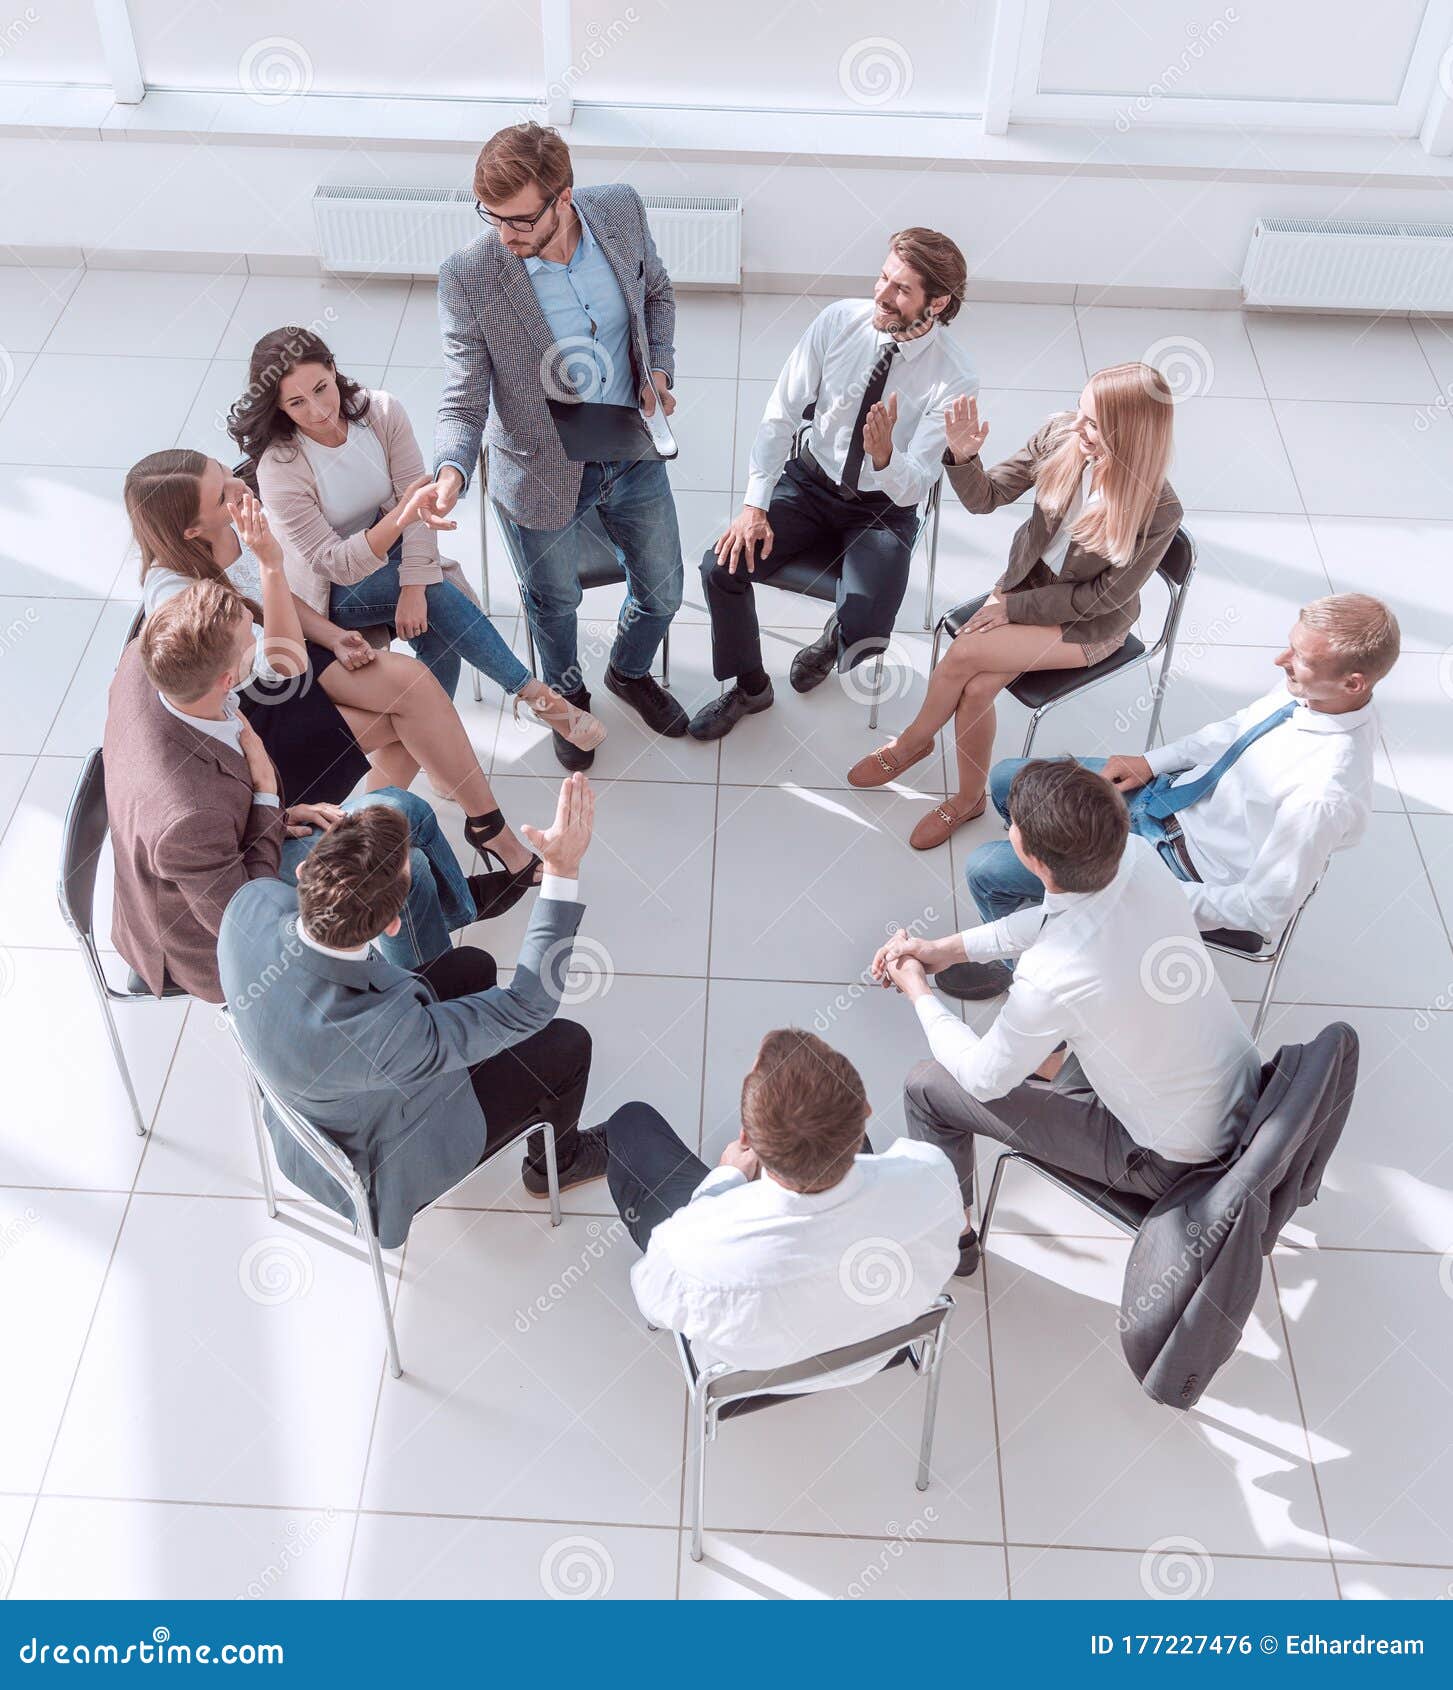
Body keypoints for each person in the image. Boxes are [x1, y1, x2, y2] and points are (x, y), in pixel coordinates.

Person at [874, 759, 1262, 1276]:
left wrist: (918, 989)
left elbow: (982, 1079)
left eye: (1010, 824)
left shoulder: (1052, 976)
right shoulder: (1139, 859)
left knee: (928, 1086)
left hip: (1168, 1159)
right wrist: (947, 949)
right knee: (1059, 1037)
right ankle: (1047, 1076)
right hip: (1237, 1094)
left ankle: (953, 1240)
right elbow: (1056, 918)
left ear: (1032, 859)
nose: (1008, 827)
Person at [127, 448, 541, 916]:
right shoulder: (179, 598)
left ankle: (467, 830)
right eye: (222, 494)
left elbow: (271, 602)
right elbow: (283, 664)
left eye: (224, 471)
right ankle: (396, 850)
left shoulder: (226, 531)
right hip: (259, 710)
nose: (240, 487)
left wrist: (332, 634)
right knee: (411, 726)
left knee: (415, 687)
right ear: (192, 530)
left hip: (280, 654)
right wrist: (271, 562)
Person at [939, 592, 1401, 1001]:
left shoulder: (1324, 791)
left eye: (1298, 657)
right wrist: (1152, 762)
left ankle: (1035, 987)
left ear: (1353, 683)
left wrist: (1145, 891)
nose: (1280, 660)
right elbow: (1234, 731)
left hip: (1182, 869)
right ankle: (1061, 911)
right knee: (1008, 782)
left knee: (986, 871)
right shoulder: (1314, 692)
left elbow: (1262, 909)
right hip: (1166, 799)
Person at [219, 775, 609, 1247]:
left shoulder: (248, 906)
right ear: (391, 923)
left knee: (473, 966)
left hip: (307, 1108)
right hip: (384, 1163)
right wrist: (562, 871)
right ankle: (556, 1165)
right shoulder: (391, 1031)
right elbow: (529, 1007)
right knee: (569, 1045)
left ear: (303, 872)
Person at [422, 121, 688, 770]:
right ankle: (568, 699)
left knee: (663, 590)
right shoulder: (470, 275)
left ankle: (628, 670)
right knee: (553, 605)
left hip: (627, 442)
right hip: (537, 467)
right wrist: (452, 470)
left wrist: (658, 369)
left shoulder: (619, 210)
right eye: (491, 217)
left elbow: (656, 292)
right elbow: (462, 395)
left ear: (562, 198)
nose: (504, 234)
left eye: (517, 219)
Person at [105, 578, 501, 1004]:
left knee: (408, 811)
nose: (261, 640)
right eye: (249, 640)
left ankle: (450, 919)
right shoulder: (188, 820)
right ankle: (425, 1011)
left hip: (228, 847)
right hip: (212, 932)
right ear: (226, 679)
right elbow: (246, 918)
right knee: (407, 867)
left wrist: (279, 814)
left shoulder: (145, 660)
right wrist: (264, 798)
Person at [235, 325, 605, 767]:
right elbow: (336, 565)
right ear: (278, 407)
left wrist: (412, 582)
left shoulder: (381, 411)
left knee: (437, 635)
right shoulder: (279, 467)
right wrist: (412, 552)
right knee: (434, 593)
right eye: (297, 403)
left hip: (388, 554)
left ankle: (439, 756)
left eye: (321, 387)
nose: (317, 411)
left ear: (334, 369)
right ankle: (535, 695)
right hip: (331, 592)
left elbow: (420, 510)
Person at [848, 366, 1182, 849]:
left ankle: (911, 744)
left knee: (963, 656)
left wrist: (1012, 609)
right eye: (1082, 414)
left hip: (1089, 624)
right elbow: (988, 497)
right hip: (1026, 584)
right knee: (978, 688)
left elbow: (1101, 599)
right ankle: (968, 799)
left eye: (1094, 424)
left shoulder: (1159, 508)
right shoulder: (1061, 435)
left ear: (1132, 433)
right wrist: (964, 455)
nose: (1080, 429)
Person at [688, 231, 979, 742]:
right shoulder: (838, 322)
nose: (882, 295)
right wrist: (755, 504)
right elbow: (780, 415)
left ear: (938, 303)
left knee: (866, 635)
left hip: (882, 508)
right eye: (883, 278)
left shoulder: (955, 378)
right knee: (721, 566)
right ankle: (751, 686)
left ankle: (833, 641)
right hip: (810, 483)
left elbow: (915, 488)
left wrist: (885, 458)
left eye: (901, 290)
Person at [606, 1028, 962, 1383]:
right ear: (865, 1110)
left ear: (746, 1138)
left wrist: (725, 1178)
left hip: (749, 1379)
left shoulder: (689, 1248)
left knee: (632, 1122)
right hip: (874, 1354)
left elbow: (652, 1299)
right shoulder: (933, 1175)